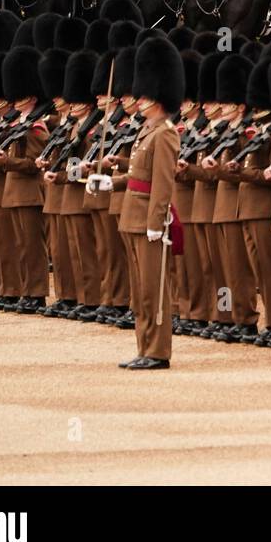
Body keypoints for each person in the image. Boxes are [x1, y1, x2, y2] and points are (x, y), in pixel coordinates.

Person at [113, 37, 184, 369]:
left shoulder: (166, 134)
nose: (138, 100)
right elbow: (136, 176)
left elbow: (162, 185)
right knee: (140, 290)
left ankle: (158, 351)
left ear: (158, 96)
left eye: (143, 95)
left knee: (154, 289)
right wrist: (108, 182)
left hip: (149, 222)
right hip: (132, 216)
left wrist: (157, 223)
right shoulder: (147, 132)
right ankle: (144, 346)